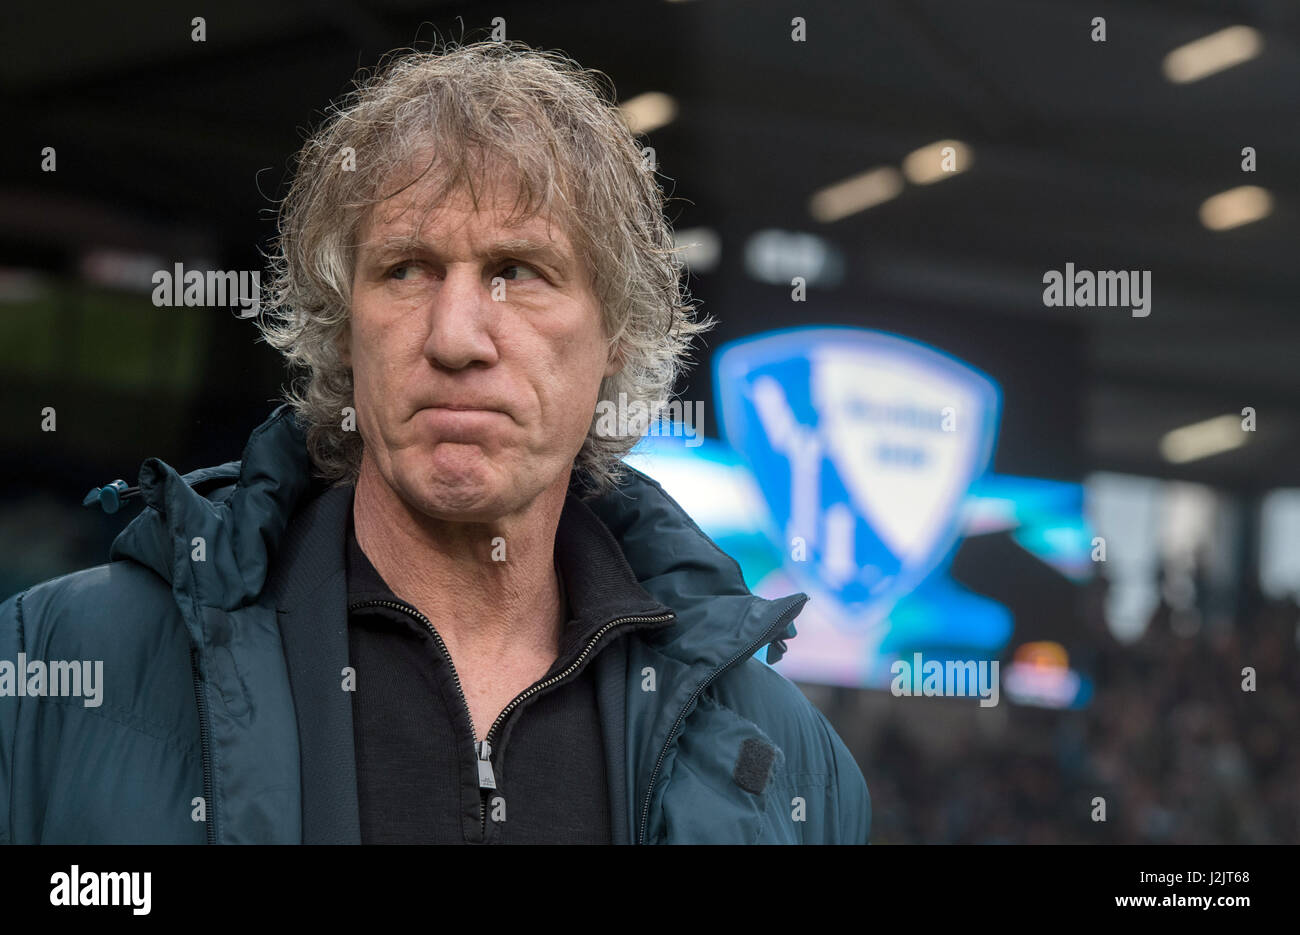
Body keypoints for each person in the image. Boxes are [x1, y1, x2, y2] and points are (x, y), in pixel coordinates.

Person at [0, 40, 869, 844]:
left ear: (619, 338)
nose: (456, 336)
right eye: (406, 269)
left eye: (517, 271)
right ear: (344, 331)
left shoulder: (792, 768)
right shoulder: (59, 663)